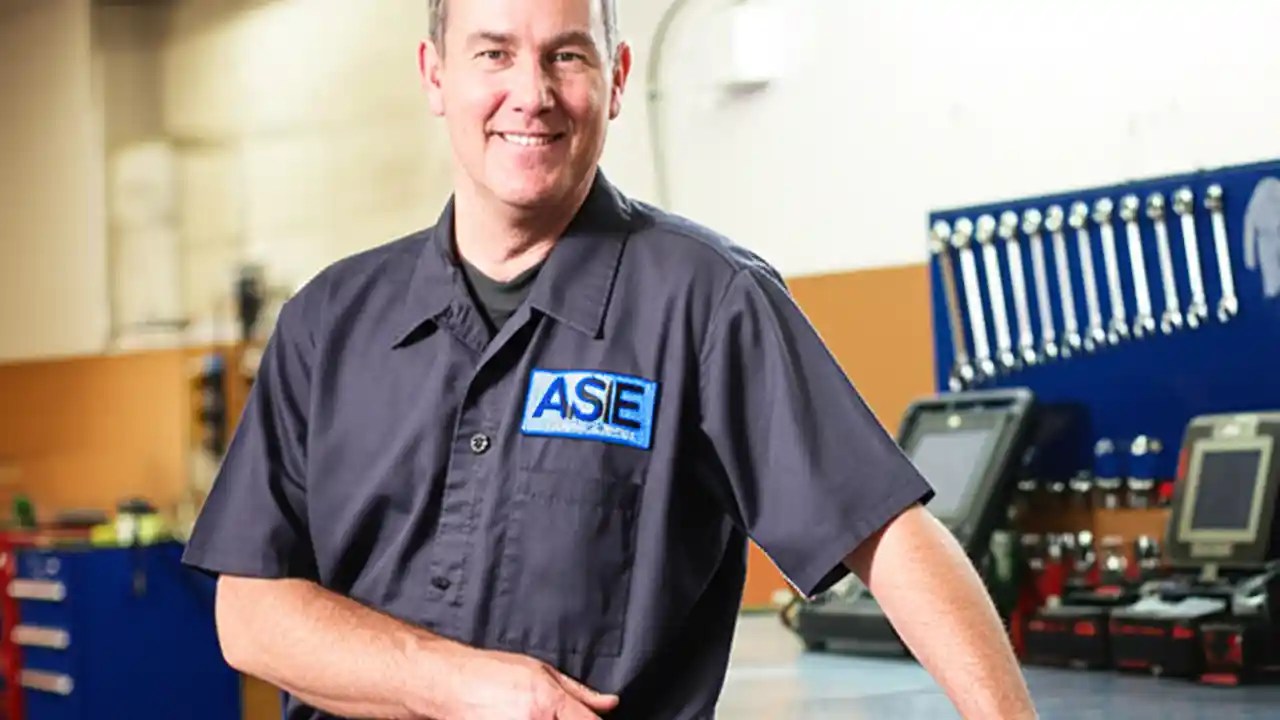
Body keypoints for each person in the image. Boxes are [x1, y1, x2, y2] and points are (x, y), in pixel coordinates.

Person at [181, 0, 1040, 718]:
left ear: (617, 78)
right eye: (494, 54)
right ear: (435, 75)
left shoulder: (707, 304)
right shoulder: (327, 325)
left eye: (567, 56)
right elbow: (251, 617)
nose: (532, 94)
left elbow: (888, 536)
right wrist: (468, 685)